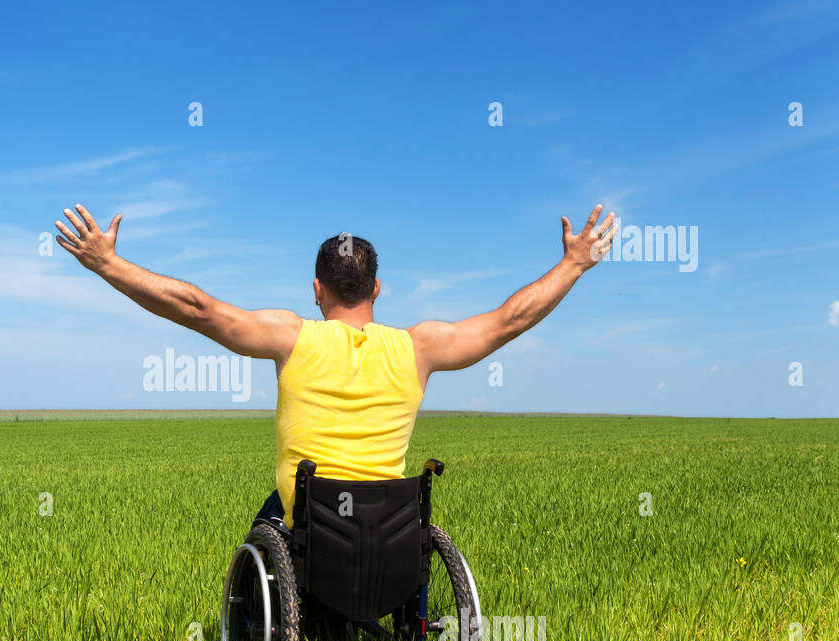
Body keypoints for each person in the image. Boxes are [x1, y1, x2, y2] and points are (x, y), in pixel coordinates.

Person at [55, 202, 617, 527]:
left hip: (311, 524)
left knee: (269, 514)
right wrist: (573, 265)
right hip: (391, 525)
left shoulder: (292, 336)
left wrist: (107, 263)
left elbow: (197, 308)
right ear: (378, 289)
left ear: (317, 289)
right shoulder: (418, 347)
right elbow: (507, 321)